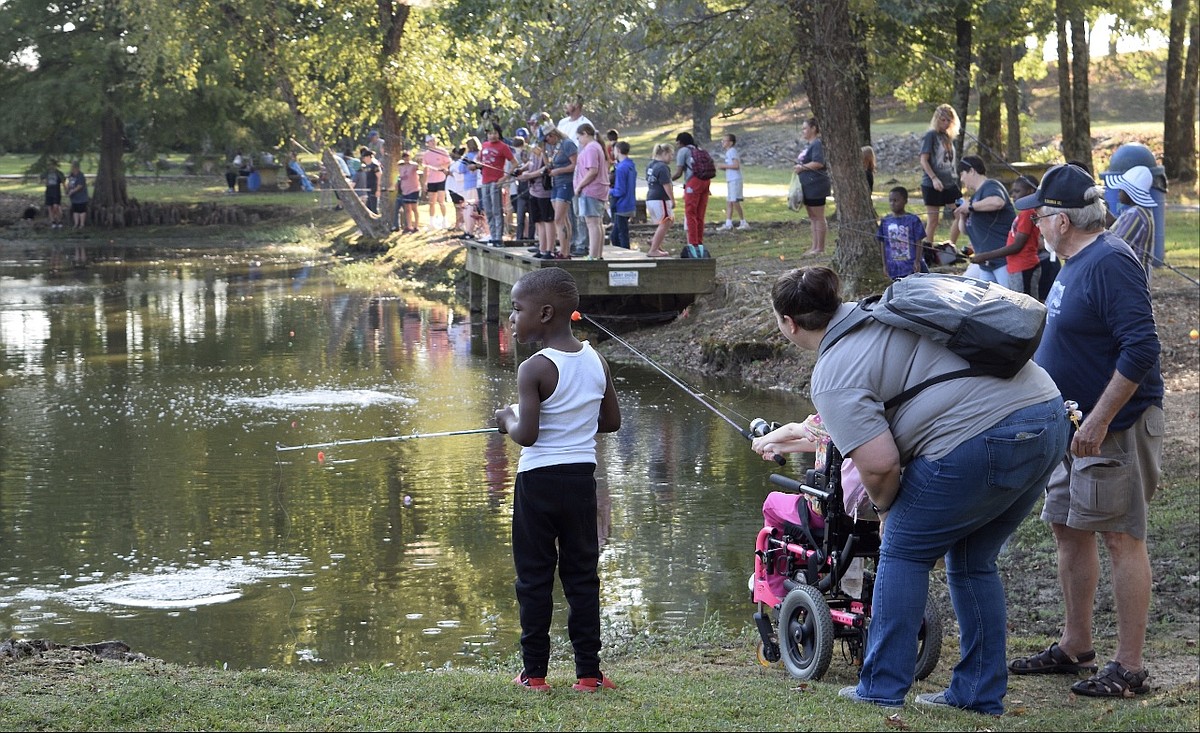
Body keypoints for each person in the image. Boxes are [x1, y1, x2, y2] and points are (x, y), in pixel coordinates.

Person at [765, 266, 1068, 715]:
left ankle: (882, 687)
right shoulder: (887, 311)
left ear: (788, 322)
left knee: (903, 550)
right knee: (972, 560)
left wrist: (887, 510)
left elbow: (881, 466)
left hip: (981, 437)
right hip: (1048, 418)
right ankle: (977, 695)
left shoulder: (833, 371)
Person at [1006, 163, 1163, 701]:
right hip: (1072, 428)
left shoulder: (1110, 261)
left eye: (1040, 218)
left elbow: (1142, 348)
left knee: (1122, 537)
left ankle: (1131, 668)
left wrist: (1097, 419)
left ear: (1063, 220)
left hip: (1113, 427)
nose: (1035, 227)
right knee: (1068, 528)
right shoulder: (1074, 260)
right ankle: (1076, 645)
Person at [493, 267, 621, 694]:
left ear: (545, 313)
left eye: (517, 309)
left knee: (534, 577)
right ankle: (589, 673)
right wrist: (574, 420)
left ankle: (536, 674)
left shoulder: (534, 368)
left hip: (538, 483)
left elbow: (526, 435)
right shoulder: (596, 359)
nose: (512, 318)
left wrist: (506, 417)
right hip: (581, 481)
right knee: (581, 575)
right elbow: (611, 422)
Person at [968, 175, 1040, 295]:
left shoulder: (1028, 212)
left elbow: (1017, 246)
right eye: (1013, 191)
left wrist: (986, 256)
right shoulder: (1023, 212)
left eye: (1017, 191)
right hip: (1016, 268)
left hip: (1024, 267)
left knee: (1024, 305)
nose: (1013, 195)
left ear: (1030, 191)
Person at [952, 155, 1015, 287]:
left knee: (1011, 301)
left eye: (962, 174)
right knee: (986, 304)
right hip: (985, 264)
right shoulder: (975, 197)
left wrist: (970, 207)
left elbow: (998, 202)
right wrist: (963, 214)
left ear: (972, 171)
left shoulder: (991, 186)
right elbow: (964, 230)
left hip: (1002, 261)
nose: (961, 178)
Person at [918, 104, 962, 249]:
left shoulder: (947, 136)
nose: (945, 123)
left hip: (950, 184)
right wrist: (934, 178)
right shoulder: (931, 135)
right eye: (943, 120)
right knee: (933, 220)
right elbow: (924, 160)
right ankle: (927, 251)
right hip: (932, 184)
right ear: (937, 119)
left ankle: (951, 247)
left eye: (948, 120)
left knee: (961, 213)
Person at [1105, 164, 1157, 279]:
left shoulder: (1136, 214)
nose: (1118, 192)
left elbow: (1116, 245)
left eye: (1121, 189)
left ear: (1131, 192)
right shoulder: (1142, 212)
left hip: (1133, 279)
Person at [557, 99, 594, 255]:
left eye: (569, 102)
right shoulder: (562, 122)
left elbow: (588, 145)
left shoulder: (586, 123)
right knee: (568, 211)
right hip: (564, 171)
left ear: (577, 105)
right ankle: (569, 242)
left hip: (579, 169)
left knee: (579, 210)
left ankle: (582, 243)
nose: (565, 105)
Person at [573, 124, 610, 260]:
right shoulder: (596, 147)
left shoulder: (591, 148)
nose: (579, 141)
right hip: (596, 190)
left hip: (591, 190)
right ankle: (597, 255)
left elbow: (592, 171)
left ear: (585, 134)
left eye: (579, 138)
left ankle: (593, 255)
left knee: (592, 223)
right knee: (597, 223)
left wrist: (579, 186)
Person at [794, 118, 830, 255]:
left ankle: (820, 248)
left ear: (814, 128)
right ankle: (814, 247)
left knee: (818, 216)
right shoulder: (810, 145)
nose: (803, 131)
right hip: (808, 187)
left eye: (805, 128)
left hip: (817, 186)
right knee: (812, 217)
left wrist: (801, 167)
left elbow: (819, 163)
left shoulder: (817, 144)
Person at [876, 186, 927, 280]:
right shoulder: (886, 221)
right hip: (894, 267)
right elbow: (882, 243)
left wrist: (917, 261)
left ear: (905, 201)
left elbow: (919, 242)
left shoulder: (913, 220)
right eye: (890, 200)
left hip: (910, 266)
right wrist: (885, 264)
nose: (892, 203)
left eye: (896, 200)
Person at [672, 132, 711, 255]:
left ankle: (693, 243)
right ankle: (699, 242)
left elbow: (678, 172)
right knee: (700, 214)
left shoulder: (683, 151)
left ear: (681, 142)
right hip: (706, 181)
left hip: (693, 182)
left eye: (677, 142)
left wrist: (667, 180)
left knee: (690, 213)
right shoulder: (699, 149)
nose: (677, 145)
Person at [478, 123, 516, 246]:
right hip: (485, 181)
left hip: (496, 182)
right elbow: (480, 162)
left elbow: (514, 163)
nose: (492, 136)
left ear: (499, 134)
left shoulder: (503, 147)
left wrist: (504, 178)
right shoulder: (484, 145)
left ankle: (498, 237)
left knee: (496, 209)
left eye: (495, 133)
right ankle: (492, 235)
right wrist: (474, 166)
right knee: (488, 210)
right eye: (490, 133)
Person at [543, 126, 578, 259]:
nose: (548, 141)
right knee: (563, 218)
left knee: (558, 218)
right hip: (555, 183)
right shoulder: (553, 147)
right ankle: (565, 249)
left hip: (566, 183)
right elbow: (550, 164)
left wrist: (559, 171)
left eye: (548, 138)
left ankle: (564, 251)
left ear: (554, 135)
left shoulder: (567, 144)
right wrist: (544, 153)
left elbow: (575, 164)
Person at [517, 143, 556, 259]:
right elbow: (531, 162)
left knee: (548, 220)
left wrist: (528, 175)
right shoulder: (533, 149)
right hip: (533, 190)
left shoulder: (548, 149)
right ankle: (542, 248)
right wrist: (521, 169)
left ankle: (550, 250)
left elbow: (547, 167)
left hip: (544, 191)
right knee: (538, 221)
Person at [644, 143, 674, 258]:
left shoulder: (650, 165)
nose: (672, 158)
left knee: (669, 221)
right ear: (665, 153)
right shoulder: (663, 167)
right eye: (671, 155)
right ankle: (654, 249)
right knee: (666, 221)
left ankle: (655, 240)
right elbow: (666, 185)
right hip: (660, 198)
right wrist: (672, 199)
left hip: (651, 198)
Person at [608, 141, 636, 250]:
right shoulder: (631, 166)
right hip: (630, 203)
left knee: (619, 235)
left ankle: (625, 254)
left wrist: (608, 191)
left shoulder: (621, 168)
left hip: (621, 205)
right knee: (619, 233)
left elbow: (620, 190)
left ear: (618, 150)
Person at [421, 134, 452, 229]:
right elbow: (425, 169)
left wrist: (441, 167)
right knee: (431, 202)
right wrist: (424, 183)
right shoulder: (426, 155)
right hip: (431, 180)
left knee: (441, 201)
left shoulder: (442, 151)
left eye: (434, 141)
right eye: (431, 141)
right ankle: (431, 222)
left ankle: (444, 220)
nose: (433, 143)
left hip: (441, 179)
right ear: (427, 143)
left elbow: (449, 162)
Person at [718, 134, 749, 231]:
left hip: (735, 179)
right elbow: (730, 166)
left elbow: (736, 165)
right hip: (730, 179)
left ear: (730, 142)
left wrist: (723, 165)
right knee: (729, 201)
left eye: (725, 141)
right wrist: (723, 167)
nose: (722, 142)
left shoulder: (732, 151)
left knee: (735, 201)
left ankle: (743, 221)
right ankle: (728, 223)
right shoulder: (728, 152)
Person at [396, 150, 421, 234]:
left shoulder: (413, 165)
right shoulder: (401, 167)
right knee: (407, 209)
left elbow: (418, 167)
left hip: (414, 189)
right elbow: (399, 177)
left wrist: (418, 162)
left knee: (414, 208)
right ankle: (409, 226)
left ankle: (416, 226)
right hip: (405, 190)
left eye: (407, 156)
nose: (406, 158)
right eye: (404, 157)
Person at [66, 161, 89, 230]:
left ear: (77, 168)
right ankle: (76, 224)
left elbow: (79, 186)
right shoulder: (71, 175)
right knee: (75, 210)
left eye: (73, 167)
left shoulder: (80, 175)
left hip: (81, 197)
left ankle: (82, 224)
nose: (72, 169)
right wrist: (67, 190)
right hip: (74, 198)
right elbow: (69, 183)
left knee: (81, 210)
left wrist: (72, 191)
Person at [359, 148, 382, 214]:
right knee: (368, 207)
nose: (364, 159)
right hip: (368, 189)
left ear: (369, 157)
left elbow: (379, 177)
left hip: (374, 188)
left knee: (374, 207)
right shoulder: (366, 167)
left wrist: (378, 190)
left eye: (365, 157)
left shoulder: (375, 166)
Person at [44, 159, 65, 229]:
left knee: (56, 207)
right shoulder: (46, 173)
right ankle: (53, 221)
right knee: (50, 207)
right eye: (49, 165)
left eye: (52, 165)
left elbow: (63, 181)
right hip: (48, 191)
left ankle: (59, 220)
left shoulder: (59, 173)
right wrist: (44, 182)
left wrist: (66, 189)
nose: (51, 167)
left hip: (56, 192)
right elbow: (41, 178)